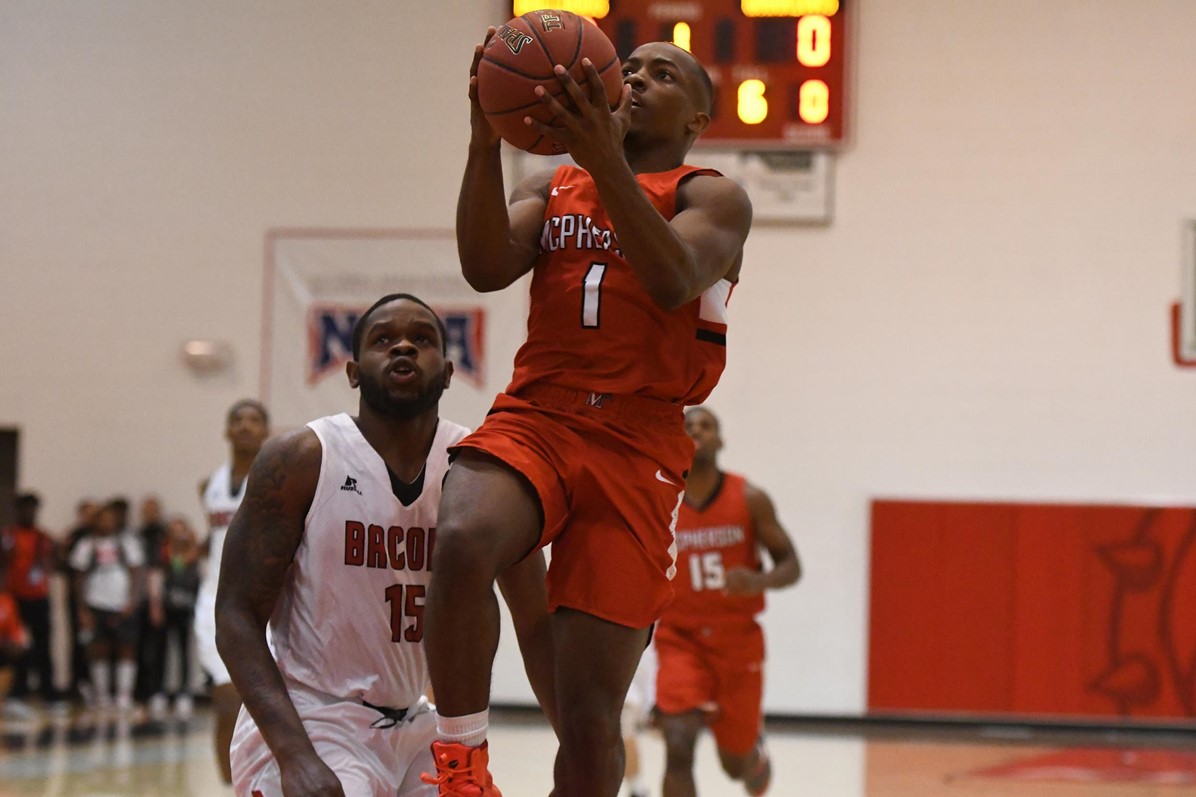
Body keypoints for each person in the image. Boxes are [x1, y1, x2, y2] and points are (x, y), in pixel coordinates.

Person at [423, 31, 753, 797]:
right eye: (628, 67)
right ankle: (461, 759)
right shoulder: (551, 186)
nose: (635, 78)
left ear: (698, 117)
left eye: (661, 74)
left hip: (639, 440)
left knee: (589, 719)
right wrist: (484, 141)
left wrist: (607, 160)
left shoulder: (712, 195)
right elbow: (484, 265)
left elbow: (672, 277)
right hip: (542, 412)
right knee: (465, 533)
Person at [217, 294, 549, 796]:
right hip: (312, 716)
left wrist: (576, 737)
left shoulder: (480, 471)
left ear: (448, 371)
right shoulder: (303, 458)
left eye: (422, 339)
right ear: (352, 372)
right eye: (383, 339)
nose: (403, 348)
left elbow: (537, 619)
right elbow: (236, 616)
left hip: (417, 724)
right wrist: (295, 755)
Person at [655, 407, 800, 797]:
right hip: (680, 640)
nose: (698, 431)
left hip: (737, 642)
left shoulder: (749, 498)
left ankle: (755, 756)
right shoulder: (660, 498)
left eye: (707, 426)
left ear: (720, 440)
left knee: (734, 764)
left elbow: (791, 564)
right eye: (689, 426)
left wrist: (759, 580)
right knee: (678, 744)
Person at [197, 397, 270, 784]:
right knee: (226, 702)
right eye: (237, 419)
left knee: (267, 705)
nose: (245, 425)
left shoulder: (278, 478)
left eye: (253, 419)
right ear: (227, 431)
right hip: (215, 600)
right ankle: (229, 787)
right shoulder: (208, 485)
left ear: (265, 431)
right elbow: (212, 541)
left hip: (264, 601)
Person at [69, 500, 146, 712]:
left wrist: (132, 601)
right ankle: (102, 694)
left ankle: (124, 695)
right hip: (97, 602)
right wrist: (83, 609)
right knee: (99, 648)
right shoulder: (87, 545)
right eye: (103, 518)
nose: (108, 522)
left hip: (122, 602)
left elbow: (136, 573)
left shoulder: (127, 543)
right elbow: (79, 578)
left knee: (126, 646)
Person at [0, 492, 60, 711]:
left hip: (39, 596)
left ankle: (49, 691)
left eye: (32, 509)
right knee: (18, 645)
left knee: (43, 644)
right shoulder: (8, 535)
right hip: (15, 597)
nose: (28, 513)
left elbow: (52, 564)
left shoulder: (44, 537)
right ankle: (19, 692)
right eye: (24, 508)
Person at [159, 515, 201, 719]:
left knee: (185, 651)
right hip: (168, 607)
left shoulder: (195, 553)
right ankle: (163, 690)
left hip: (188, 607)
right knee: (163, 649)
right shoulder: (165, 553)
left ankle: (185, 691)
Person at [134, 496, 169, 713]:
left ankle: (158, 689)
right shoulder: (137, 536)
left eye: (153, 509)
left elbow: (161, 568)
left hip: (160, 596)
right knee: (139, 646)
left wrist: (157, 601)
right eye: (146, 510)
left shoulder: (163, 536)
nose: (150, 514)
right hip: (140, 596)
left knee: (159, 647)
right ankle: (140, 691)